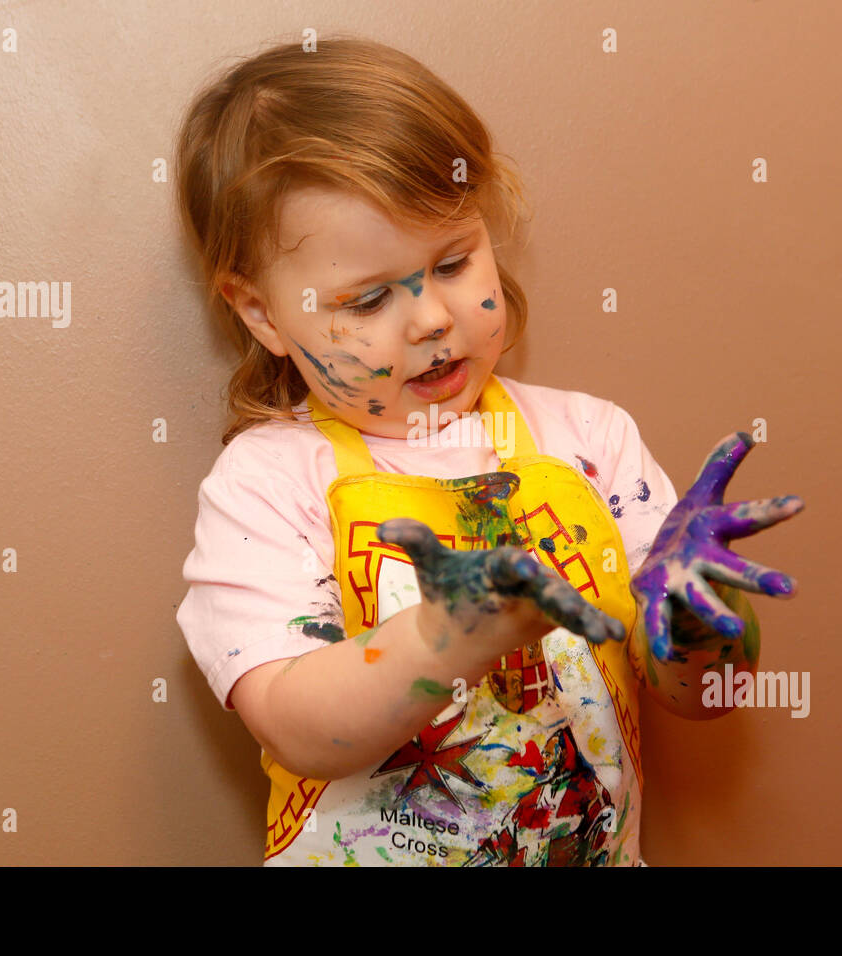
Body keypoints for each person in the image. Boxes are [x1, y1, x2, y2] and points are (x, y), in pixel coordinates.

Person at [172, 35, 804, 866]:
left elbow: (701, 698)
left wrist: (695, 622)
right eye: (366, 300)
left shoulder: (591, 441)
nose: (431, 319)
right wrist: (453, 637)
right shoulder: (268, 483)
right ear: (260, 314)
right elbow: (301, 730)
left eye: (452, 260)